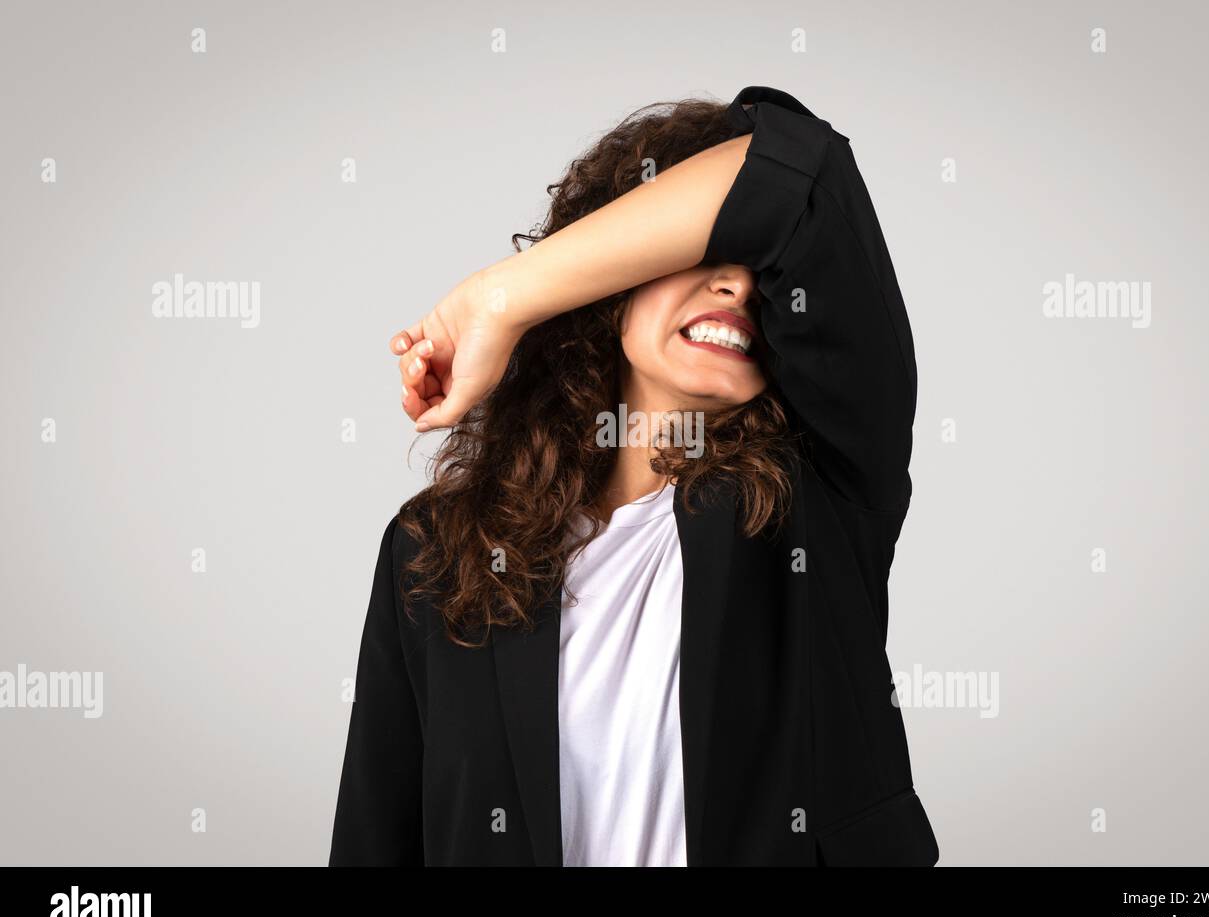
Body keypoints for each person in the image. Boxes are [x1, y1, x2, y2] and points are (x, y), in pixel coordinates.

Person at [328, 85, 940, 866]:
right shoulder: (435, 552)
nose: (741, 287)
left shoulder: (824, 483)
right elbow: (376, 841)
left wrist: (499, 299)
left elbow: (803, 177)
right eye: (700, 256)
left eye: (761, 271)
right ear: (606, 281)